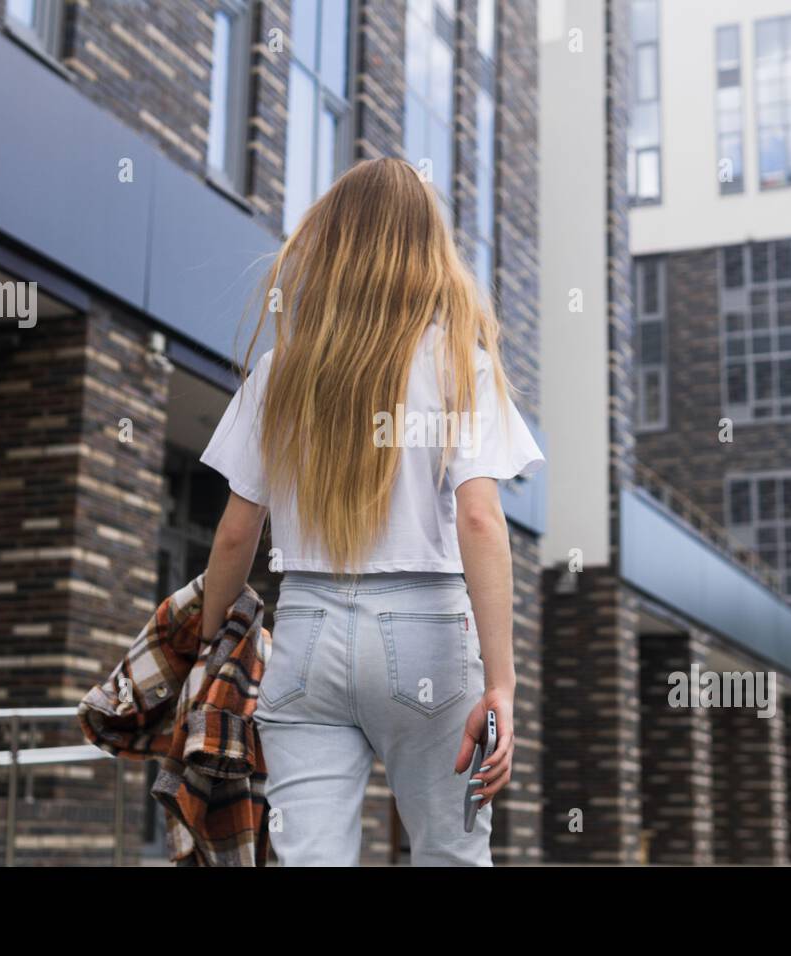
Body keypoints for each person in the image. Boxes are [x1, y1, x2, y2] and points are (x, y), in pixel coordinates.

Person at [196, 157, 544, 866]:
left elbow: (237, 532)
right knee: (449, 851)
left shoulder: (281, 374)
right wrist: (502, 684)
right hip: (429, 639)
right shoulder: (458, 366)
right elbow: (481, 521)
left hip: (307, 634)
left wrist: (206, 649)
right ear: (427, 250)